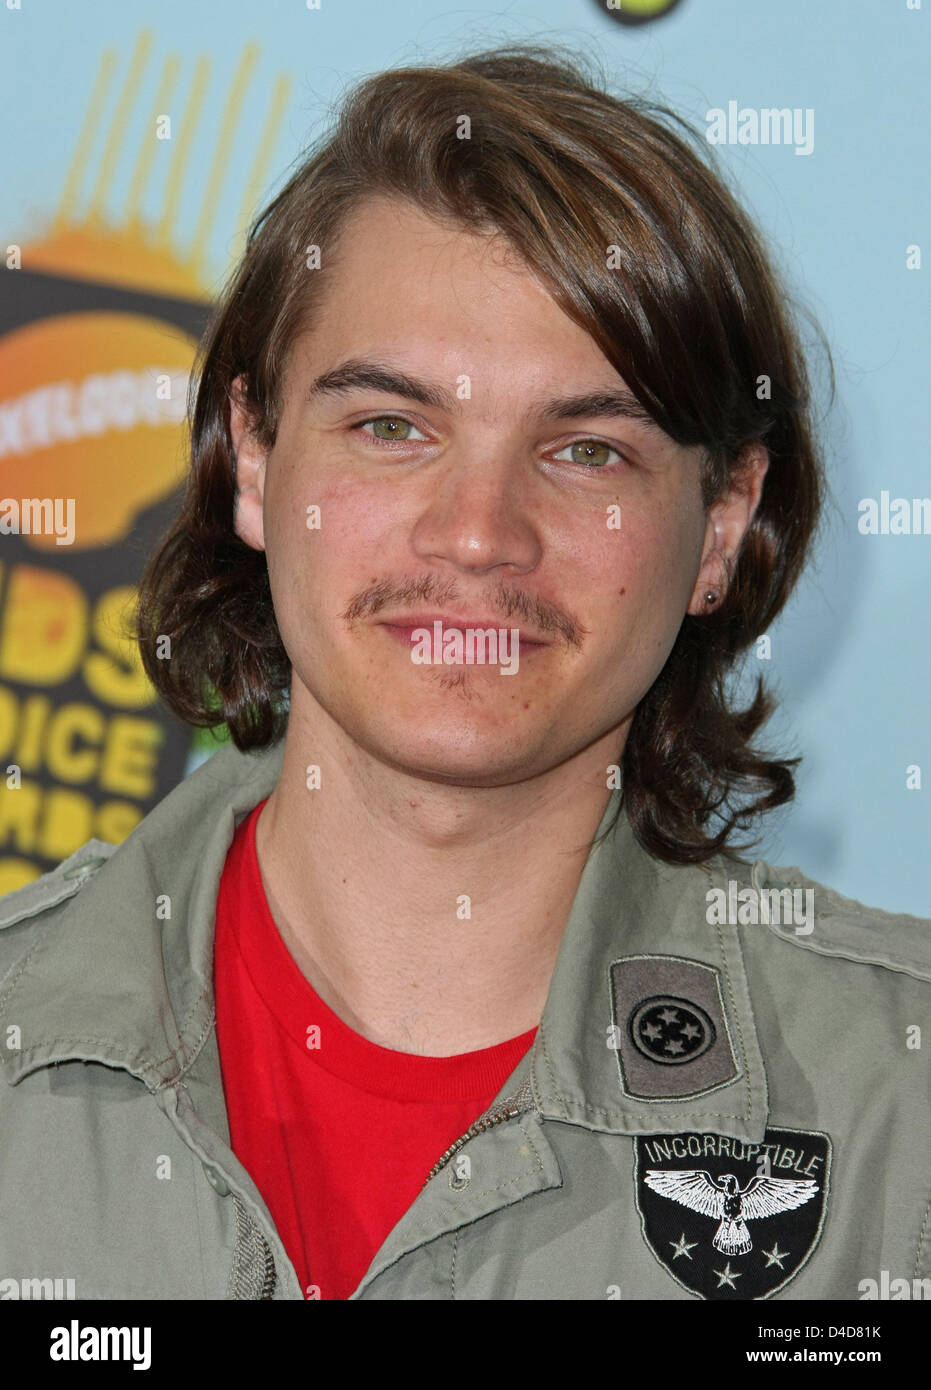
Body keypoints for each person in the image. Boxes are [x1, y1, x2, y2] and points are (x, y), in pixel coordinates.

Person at [1, 43, 928, 1304]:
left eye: (588, 449)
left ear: (720, 522)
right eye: (392, 427)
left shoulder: (901, 1119)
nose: (478, 531)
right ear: (256, 460)